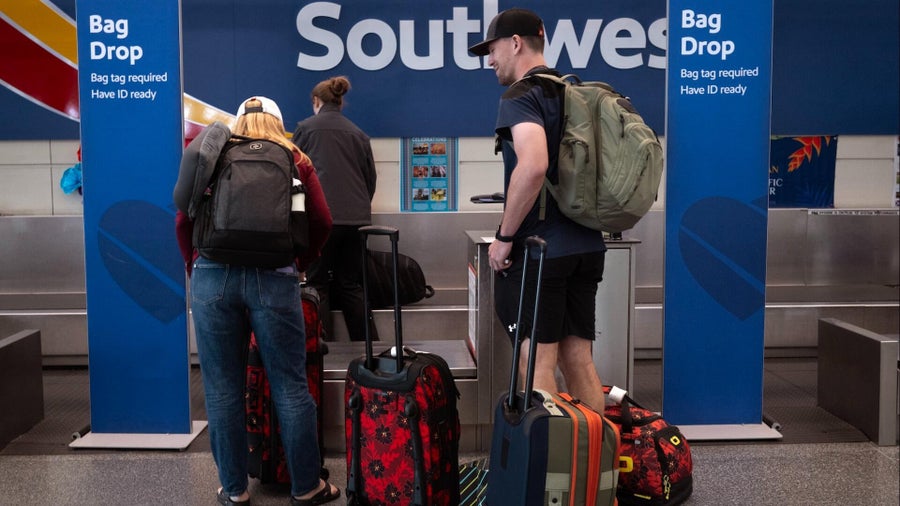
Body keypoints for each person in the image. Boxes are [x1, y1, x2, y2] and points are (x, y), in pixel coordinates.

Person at [173, 96, 340, 506]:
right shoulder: (294, 157)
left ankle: (234, 490)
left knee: (223, 389)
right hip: (275, 278)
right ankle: (306, 486)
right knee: (289, 385)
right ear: (278, 123)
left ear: (238, 122)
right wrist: (300, 260)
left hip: (214, 276)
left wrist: (195, 269)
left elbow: (182, 217)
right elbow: (322, 220)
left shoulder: (213, 153)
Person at [469, 8, 608, 412]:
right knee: (578, 358)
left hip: (542, 250)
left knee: (536, 360)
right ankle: (595, 466)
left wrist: (504, 237)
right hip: (586, 244)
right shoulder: (575, 91)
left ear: (515, 43)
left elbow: (532, 166)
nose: (490, 60)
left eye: (492, 50)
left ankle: (550, 472)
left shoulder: (522, 95)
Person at [292, 76, 379, 342]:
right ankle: (369, 350)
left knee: (318, 284)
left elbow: (293, 174)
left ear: (316, 102)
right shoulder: (358, 134)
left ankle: (322, 349)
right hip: (357, 220)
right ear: (340, 103)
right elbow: (369, 180)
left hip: (322, 220)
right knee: (350, 284)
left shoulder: (306, 129)